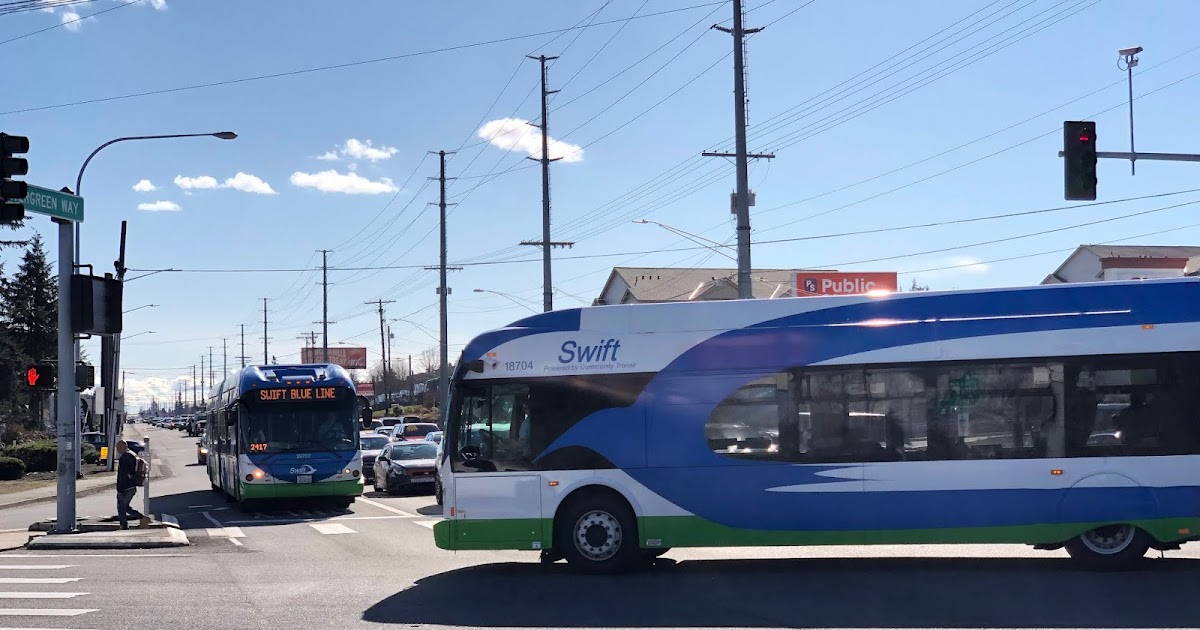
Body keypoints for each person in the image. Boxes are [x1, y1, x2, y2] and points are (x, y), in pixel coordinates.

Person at [115, 441, 146, 530]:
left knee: (121, 507)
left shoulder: (124, 458)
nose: (117, 449)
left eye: (118, 447)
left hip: (126, 487)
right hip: (132, 485)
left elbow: (123, 475)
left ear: (122, 447)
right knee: (125, 507)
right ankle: (142, 518)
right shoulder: (132, 454)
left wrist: (120, 490)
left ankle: (124, 525)